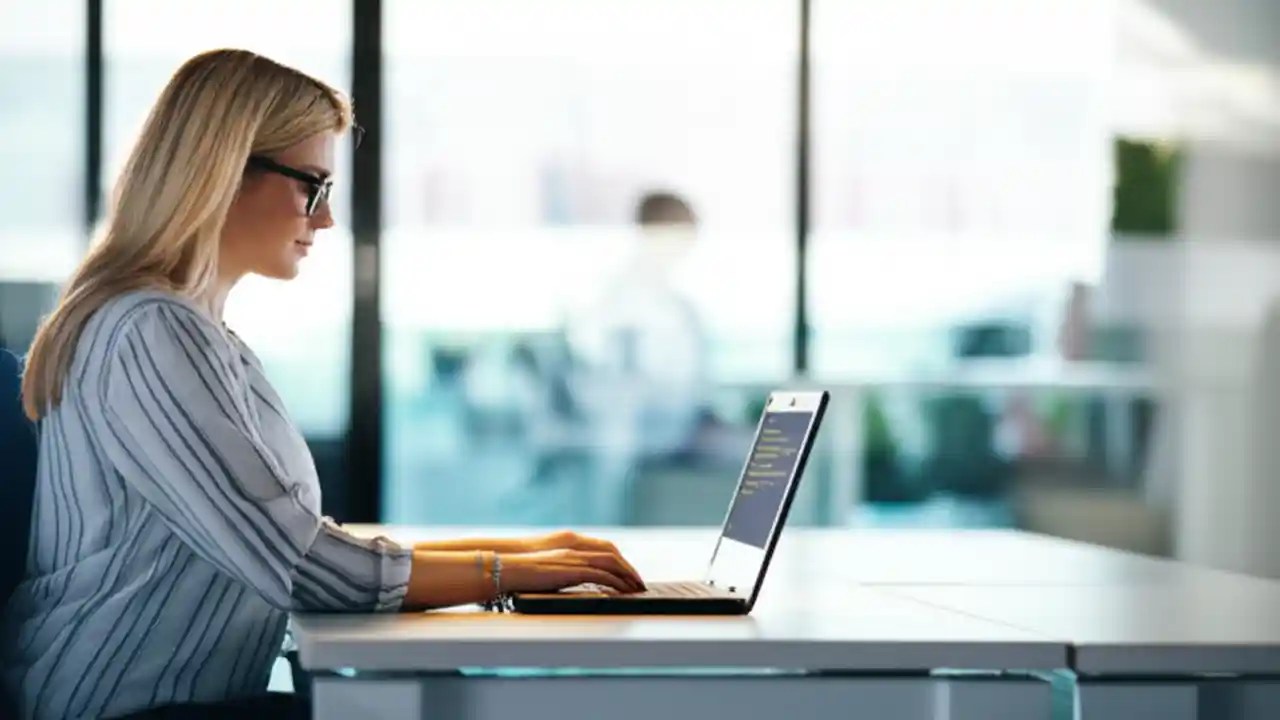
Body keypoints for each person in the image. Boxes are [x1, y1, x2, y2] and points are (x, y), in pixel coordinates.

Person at [1, 49, 644, 720]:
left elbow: (291, 536)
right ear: (222, 172)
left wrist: (527, 550)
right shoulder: (150, 333)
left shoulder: (196, 333)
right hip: (121, 708)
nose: (326, 219)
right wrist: (508, 572)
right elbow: (297, 566)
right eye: (313, 185)